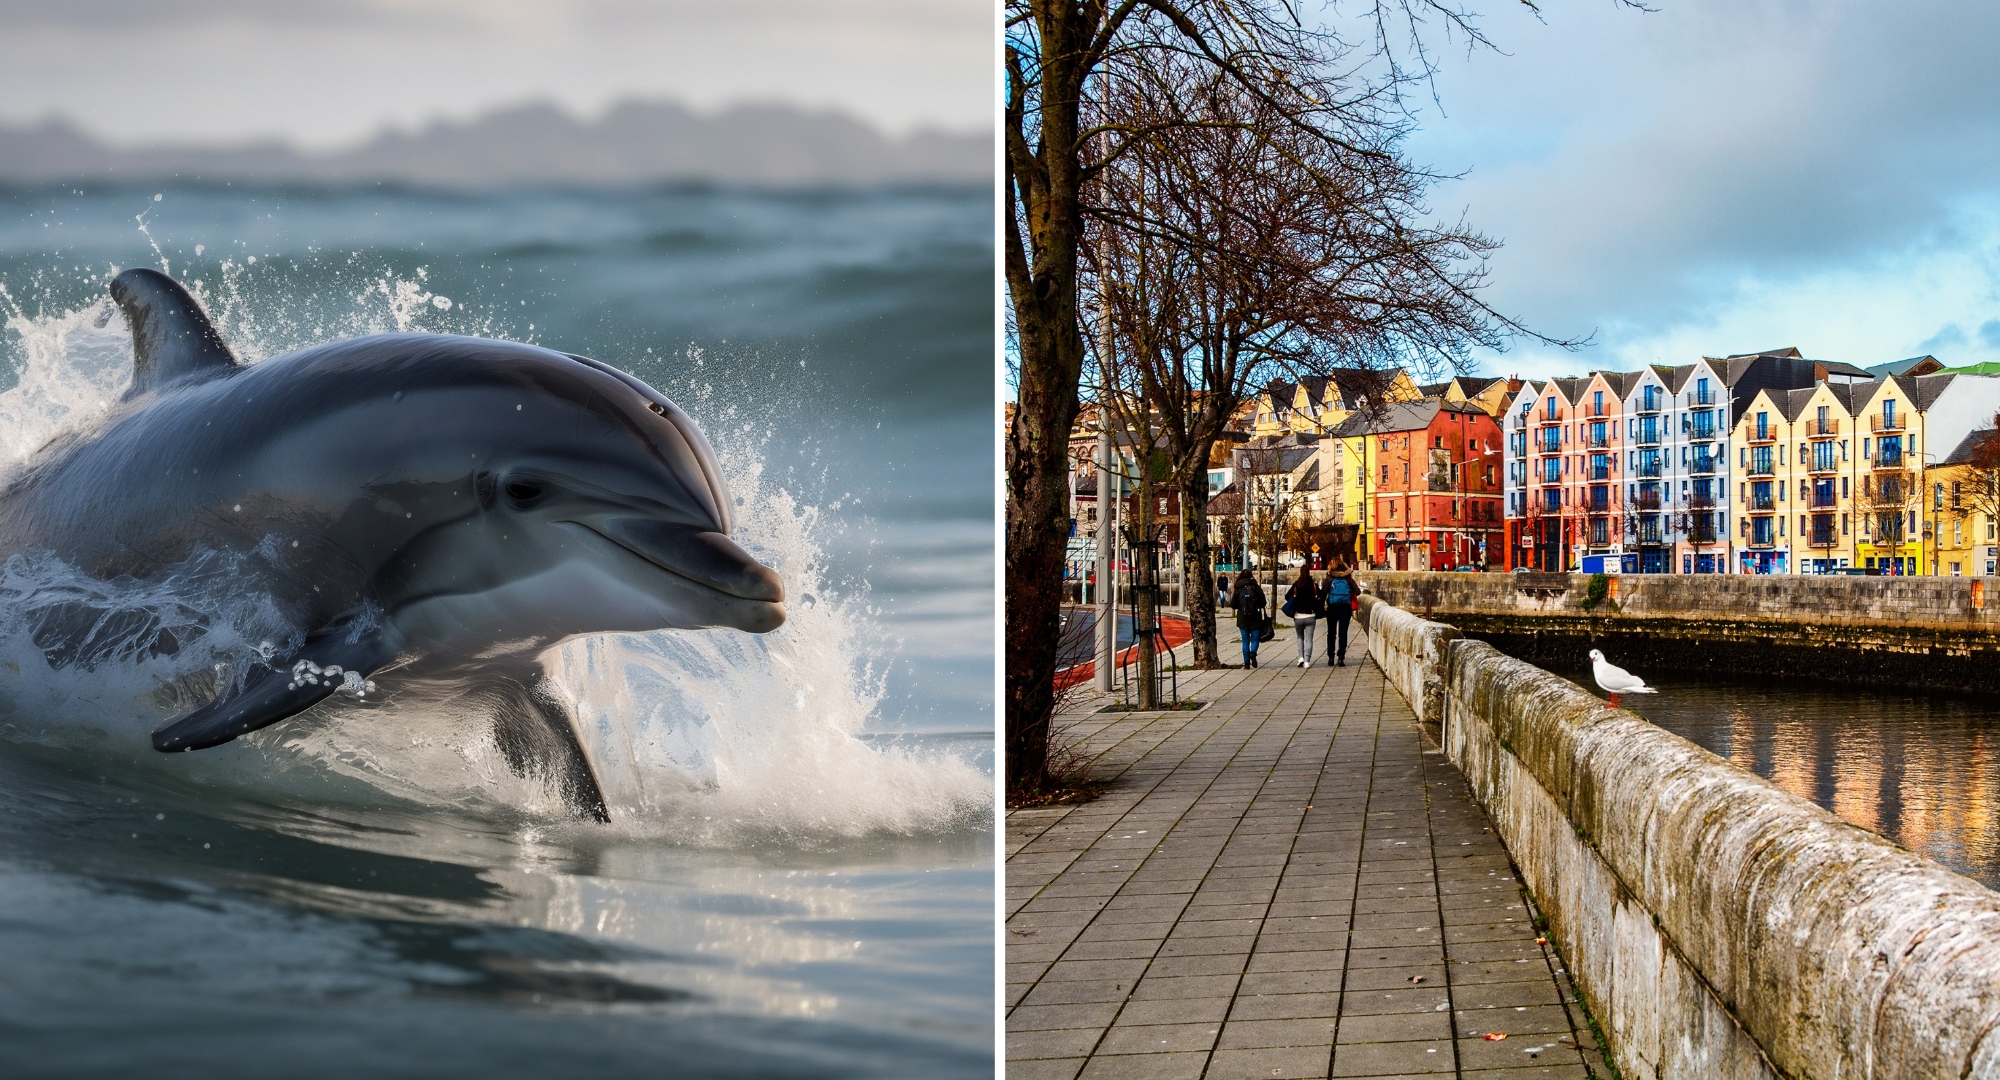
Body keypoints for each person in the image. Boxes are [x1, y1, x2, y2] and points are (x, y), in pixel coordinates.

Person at [1285, 566, 1324, 669]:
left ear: (1300, 573)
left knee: (1300, 637)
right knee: (1309, 639)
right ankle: (1307, 661)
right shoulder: (1313, 585)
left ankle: (1301, 657)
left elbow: (1286, 596)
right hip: (1311, 616)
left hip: (1298, 616)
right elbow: (1321, 596)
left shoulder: (1296, 585)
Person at [1324, 560, 1357, 667]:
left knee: (1331, 633)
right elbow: (1358, 591)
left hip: (1332, 608)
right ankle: (1341, 657)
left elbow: (1323, 592)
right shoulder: (1348, 578)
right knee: (1343, 633)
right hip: (1345, 608)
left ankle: (1331, 657)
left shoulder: (1329, 578)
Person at [1232, 569, 1265, 669]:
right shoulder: (1255, 587)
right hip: (1255, 617)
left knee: (1245, 641)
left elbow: (1233, 604)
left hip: (1242, 618)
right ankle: (1253, 653)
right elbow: (1263, 602)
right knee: (1255, 639)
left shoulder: (1238, 587)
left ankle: (1246, 663)